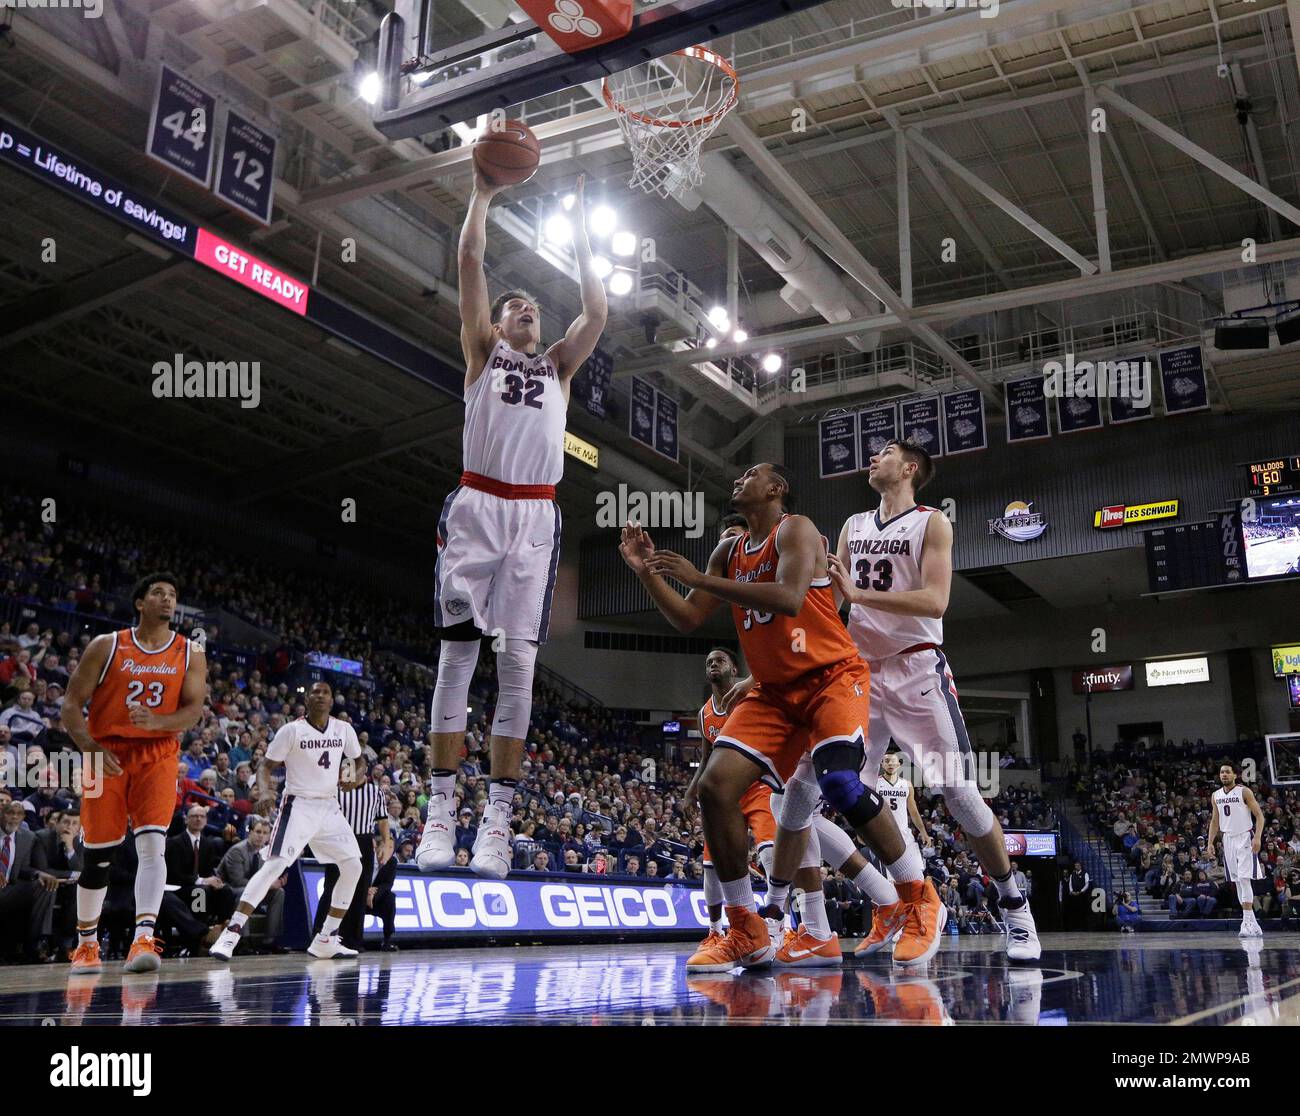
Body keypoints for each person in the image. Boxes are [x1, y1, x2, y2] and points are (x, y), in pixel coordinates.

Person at [621, 462, 942, 971]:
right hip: (772, 693)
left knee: (838, 783)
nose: (736, 479)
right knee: (714, 788)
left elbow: (790, 598)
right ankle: (747, 927)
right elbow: (687, 617)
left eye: (748, 474)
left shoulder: (797, 528)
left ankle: (918, 896)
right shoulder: (729, 549)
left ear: (775, 488)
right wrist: (647, 574)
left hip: (832, 677)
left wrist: (702, 578)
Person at [415, 167, 607, 882]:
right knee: (457, 657)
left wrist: (585, 228)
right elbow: (469, 261)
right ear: (496, 325)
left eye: (532, 307)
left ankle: (495, 823)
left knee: (519, 664)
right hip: (476, 505)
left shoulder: (559, 367)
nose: (526, 310)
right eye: (514, 306)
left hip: (534, 514)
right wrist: (484, 194)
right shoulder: (480, 355)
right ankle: (439, 817)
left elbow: (597, 308)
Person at [826, 439, 1040, 962]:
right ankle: (913, 900)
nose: (872, 458)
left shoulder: (932, 523)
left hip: (918, 669)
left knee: (960, 794)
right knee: (847, 795)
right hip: (861, 675)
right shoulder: (853, 525)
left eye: (884, 452)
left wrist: (858, 595)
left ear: (911, 467)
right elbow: (833, 604)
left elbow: (934, 600)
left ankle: (1014, 906)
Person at [62, 572, 207, 973]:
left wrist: (157, 723)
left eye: (172, 594)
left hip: (159, 753)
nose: (167, 599)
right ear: (140, 603)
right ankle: (86, 945)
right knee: (97, 854)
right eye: (158, 593)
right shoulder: (106, 646)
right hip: (103, 754)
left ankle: (144, 938)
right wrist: (89, 747)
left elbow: (193, 711)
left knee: (152, 846)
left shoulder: (191, 651)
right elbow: (71, 705)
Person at [208, 681, 363, 961]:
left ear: (331, 700)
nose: (319, 695)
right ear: (306, 700)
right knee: (275, 866)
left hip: (329, 806)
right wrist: (266, 790)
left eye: (325, 692)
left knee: (353, 866)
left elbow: (358, 760)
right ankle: (230, 933)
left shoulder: (344, 729)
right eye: (314, 691)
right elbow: (265, 766)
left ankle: (326, 937)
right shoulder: (291, 730)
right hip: (298, 805)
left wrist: (354, 776)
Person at [1207, 760, 1266, 937]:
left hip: (1245, 837)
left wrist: (1257, 837)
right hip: (1228, 839)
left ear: (1234, 775)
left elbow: (1260, 816)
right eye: (1221, 772)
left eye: (1227, 772)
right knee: (1238, 882)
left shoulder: (1244, 791)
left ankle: (1246, 922)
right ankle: (1253, 924)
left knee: (1245, 879)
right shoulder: (1215, 795)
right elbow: (1215, 821)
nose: (1224, 774)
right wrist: (1210, 842)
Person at [217, 818, 286, 951]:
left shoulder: (267, 853)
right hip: (230, 891)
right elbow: (237, 881)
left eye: (265, 833)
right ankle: (243, 940)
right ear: (250, 832)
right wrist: (269, 885)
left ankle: (270, 939)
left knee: (279, 893)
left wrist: (276, 884)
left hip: (252, 890)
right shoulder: (237, 851)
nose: (261, 836)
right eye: (258, 831)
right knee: (245, 891)